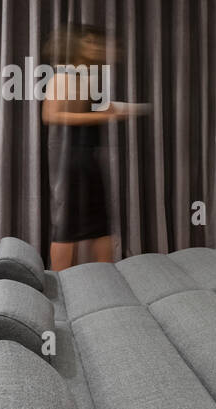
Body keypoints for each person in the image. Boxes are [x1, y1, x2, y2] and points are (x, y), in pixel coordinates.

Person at [40, 24, 143, 270]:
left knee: (98, 224)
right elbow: (51, 115)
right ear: (75, 46)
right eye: (89, 42)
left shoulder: (82, 76)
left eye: (98, 43)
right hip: (70, 160)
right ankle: (59, 283)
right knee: (67, 227)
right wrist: (107, 116)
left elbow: (85, 113)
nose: (96, 47)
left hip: (86, 157)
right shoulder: (64, 77)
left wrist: (119, 110)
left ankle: (107, 280)